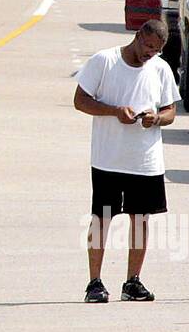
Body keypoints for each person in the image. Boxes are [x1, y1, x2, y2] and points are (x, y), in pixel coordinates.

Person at [74, 20, 180, 303]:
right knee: (102, 219)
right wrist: (113, 112)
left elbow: (171, 110)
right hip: (109, 159)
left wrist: (156, 118)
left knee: (141, 219)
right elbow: (80, 100)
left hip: (145, 161)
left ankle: (132, 282)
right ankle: (94, 283)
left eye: (156, 50)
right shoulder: (104, 61)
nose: (150, 54)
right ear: (137, 37)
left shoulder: (161, 69)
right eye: (147, 47)